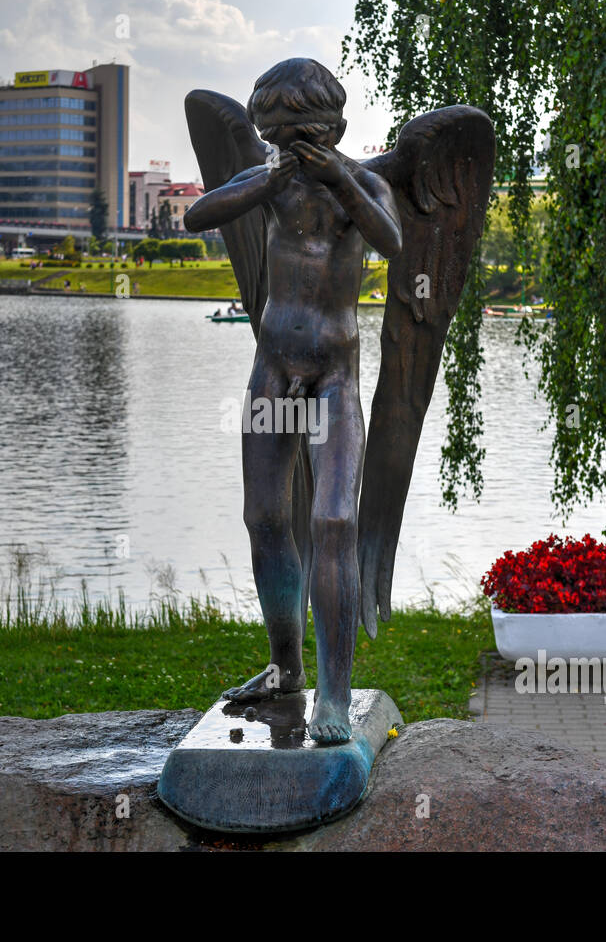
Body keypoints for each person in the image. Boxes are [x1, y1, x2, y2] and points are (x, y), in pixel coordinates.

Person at [181, 58, 403, 742]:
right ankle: (285, 670)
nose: (293, 152)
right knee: (265, 517)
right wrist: (266, 177)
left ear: (333, 130)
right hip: (274, 370)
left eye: (302, 137)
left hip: (333, 377)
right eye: (278, 138)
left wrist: (337, 175)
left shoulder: (359, 184)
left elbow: (392, 241)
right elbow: (197, 215)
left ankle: (335, 695)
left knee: (333, 518)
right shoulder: (271, 179)